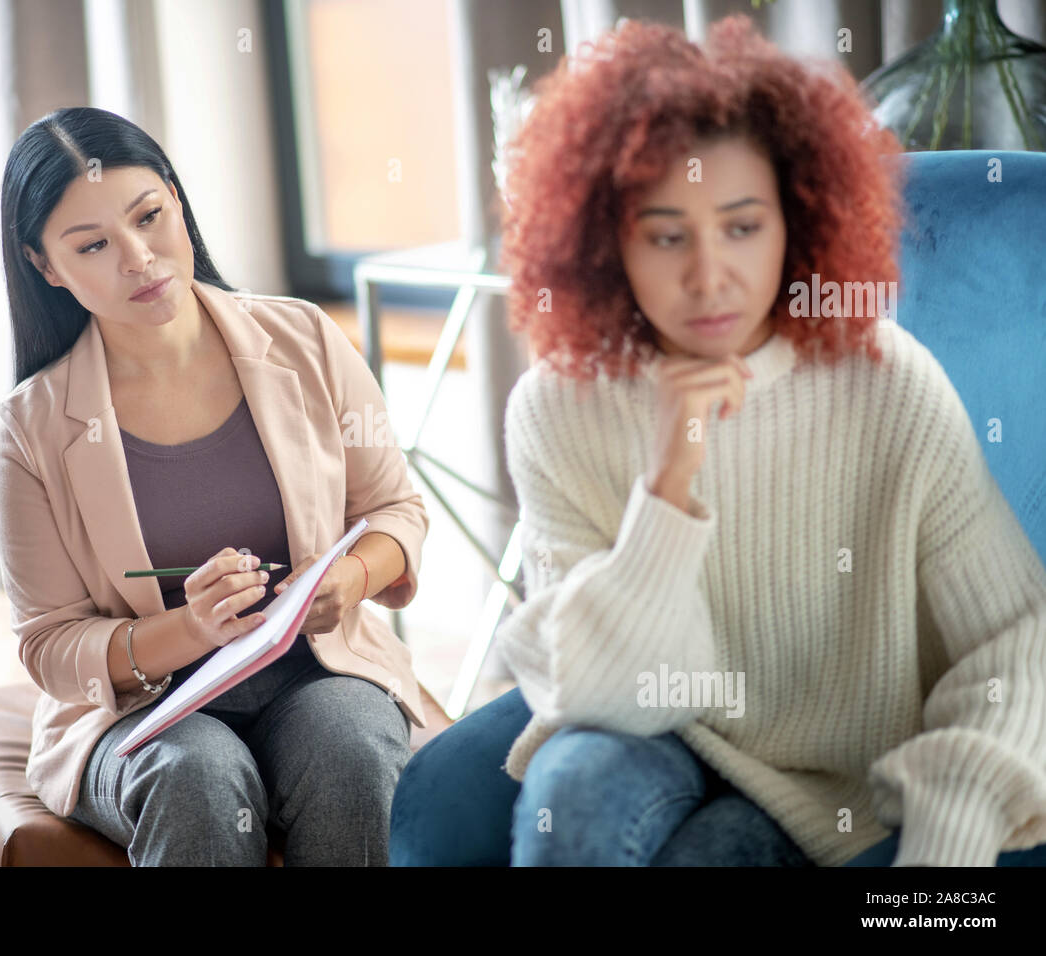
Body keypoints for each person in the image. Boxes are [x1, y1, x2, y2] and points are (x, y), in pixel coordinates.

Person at [390, 15, 1046, 867]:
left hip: (836, 772)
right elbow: (591, 686)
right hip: (651, 728)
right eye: (667, 235)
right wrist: (667, 484)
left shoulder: (887, 381)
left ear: (797, 222)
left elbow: (1015, 638)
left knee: (714, 852)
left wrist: (945, 848)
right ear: (606, 240)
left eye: (742, 226)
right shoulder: (557, 407)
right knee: (572, 793)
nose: (709, 275)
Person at [0, 106, 430, 865]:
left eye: (150, 217)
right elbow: (49, 643)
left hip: (314, 668)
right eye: (93, 245)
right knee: (195, 774)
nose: (138, 258)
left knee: (352, 750)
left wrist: (349, 580)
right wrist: (190, 632)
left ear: (178, 200)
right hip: (138, 709)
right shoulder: (30, 428)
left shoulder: (305, 341)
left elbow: (395, 508)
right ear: (46, 265)